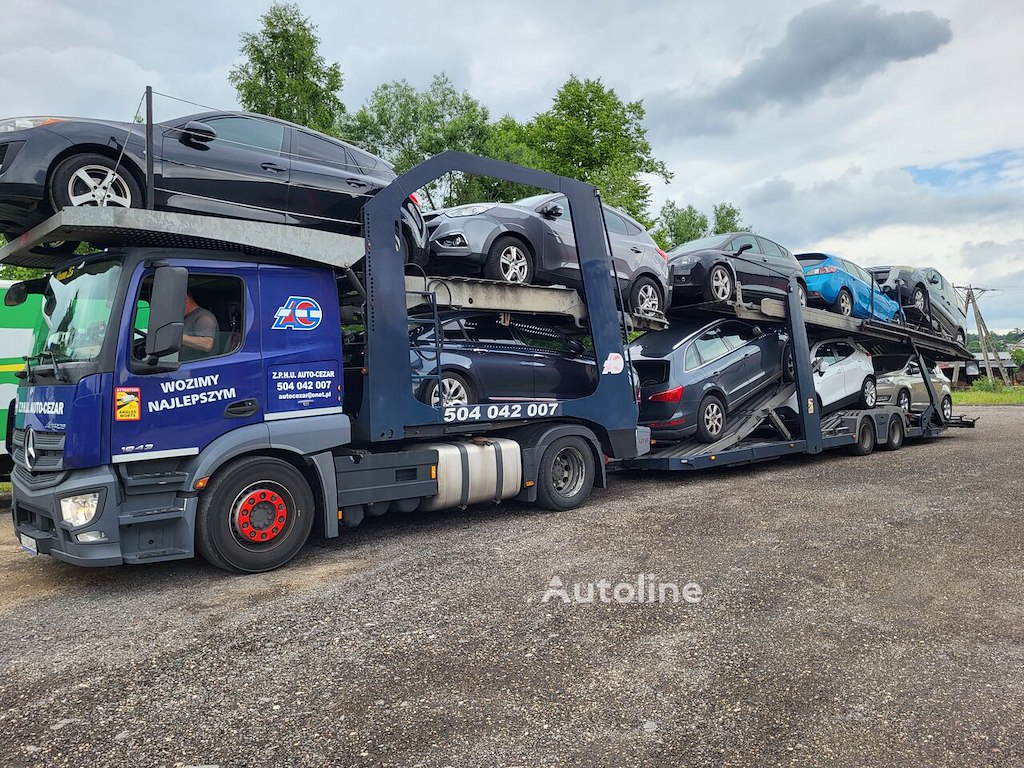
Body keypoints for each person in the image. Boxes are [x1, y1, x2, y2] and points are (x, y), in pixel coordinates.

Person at [181, 290, 219, 361]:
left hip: (200, 366)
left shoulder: (204, 317)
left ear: (186, 299)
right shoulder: (185, 317)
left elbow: (207, 344)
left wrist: (176, 337)